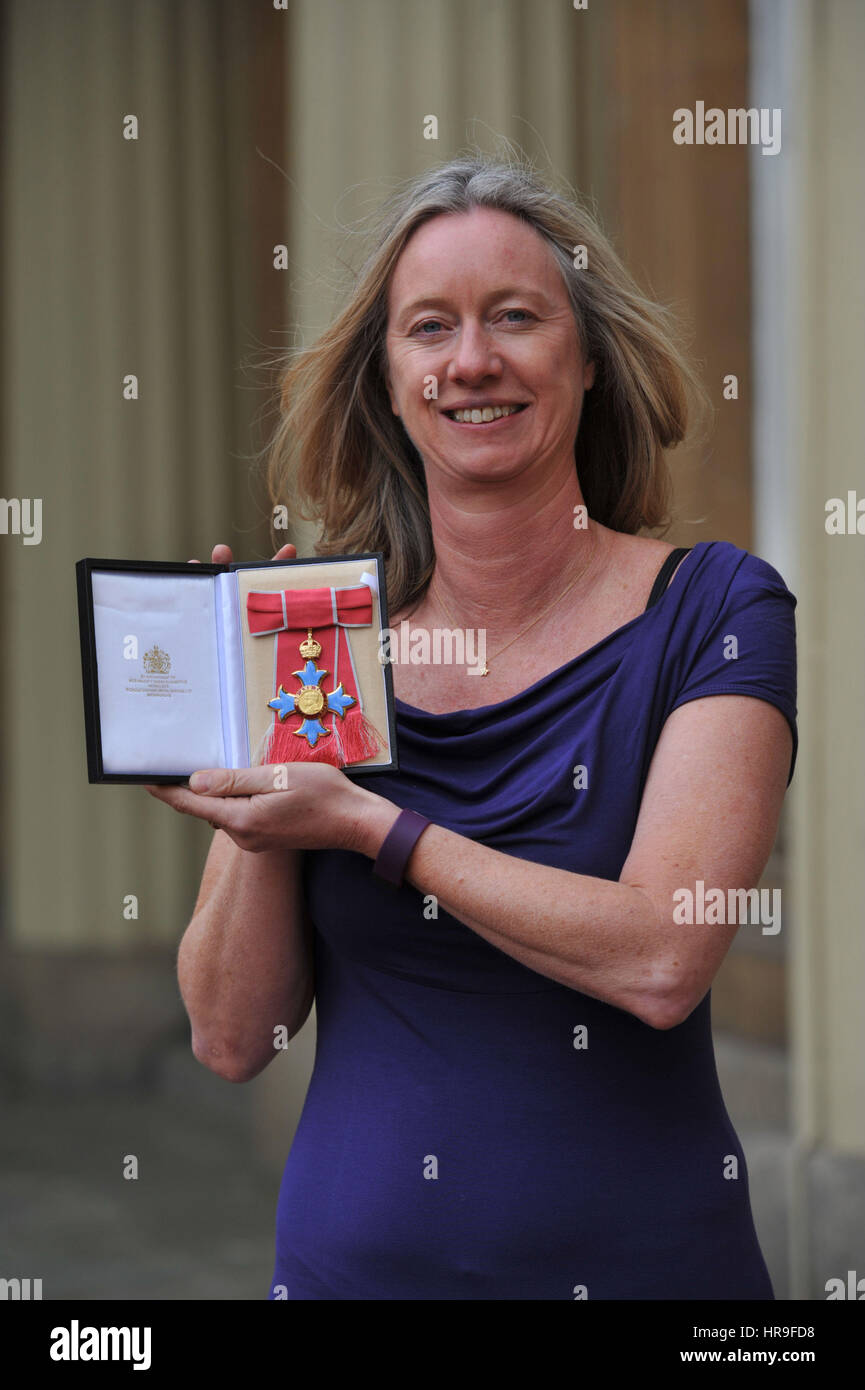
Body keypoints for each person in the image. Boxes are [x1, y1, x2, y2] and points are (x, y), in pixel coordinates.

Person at [146, 155, 797, 1300]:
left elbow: (660, 957)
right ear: (390, 383)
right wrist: (266, 796)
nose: (471, 361)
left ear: (588, 360)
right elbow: (234, 1038)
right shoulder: (326, 643)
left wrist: (372, 828)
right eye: (428, 329)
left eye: (515, 317)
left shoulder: (716, 609)